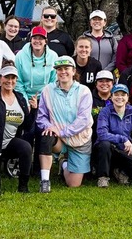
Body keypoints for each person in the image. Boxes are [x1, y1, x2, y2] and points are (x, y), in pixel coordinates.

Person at [37, 56, 94, 191]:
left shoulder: (84, 91)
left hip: (79, 140)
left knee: (73, 183)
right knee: (47, 136)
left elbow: (83, 120)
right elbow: (41, 117)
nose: (63, 72)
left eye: (66, 68)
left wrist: (62, 132)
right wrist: (49, 127)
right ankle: (45, 181)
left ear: (73, 71)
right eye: (59, 69)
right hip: (59, 140)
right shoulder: (47, 90)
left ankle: (63, 162)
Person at [0, 65, 35, 192]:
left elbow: (27, 126)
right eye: (6, 77)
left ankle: (23, 186)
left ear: (16, 80)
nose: (9, 81)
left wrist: (34, 110)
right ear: (0, 78)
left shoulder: (20, 98)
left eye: (13, 78)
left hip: (10, 142)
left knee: (26, 147)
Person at [94, 83, 132, 186]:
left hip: (124, 150)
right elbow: (102, 134)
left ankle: (121, 172)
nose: (120, 97)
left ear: (127, 97)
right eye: (116, 94)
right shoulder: (105, 112)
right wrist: (123, 139)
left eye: (123, 95)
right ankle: (103, 177)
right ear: (111, 97)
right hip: (107, 150)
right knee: (105, 144)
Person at [14, 25, 58, 101]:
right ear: (30, 40)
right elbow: (18, 81)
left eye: (41, 38)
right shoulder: (20, 56)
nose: (37, 41)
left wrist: (45, 100)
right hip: (24, 96)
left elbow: (54, 81)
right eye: (35, 38)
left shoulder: (53, 56)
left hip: (46, 97)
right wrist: (25, 101)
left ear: (45, 41)